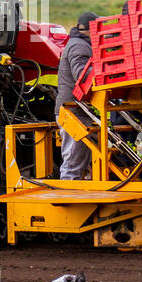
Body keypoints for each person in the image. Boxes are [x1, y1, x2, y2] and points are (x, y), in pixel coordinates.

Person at [55, 11, 98, 180]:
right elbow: (82, 75)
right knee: (73, 161)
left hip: (77, 111)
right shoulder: (79, 46)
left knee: (83, 161)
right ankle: (67, 197)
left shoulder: (80, 44)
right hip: (72, 113)